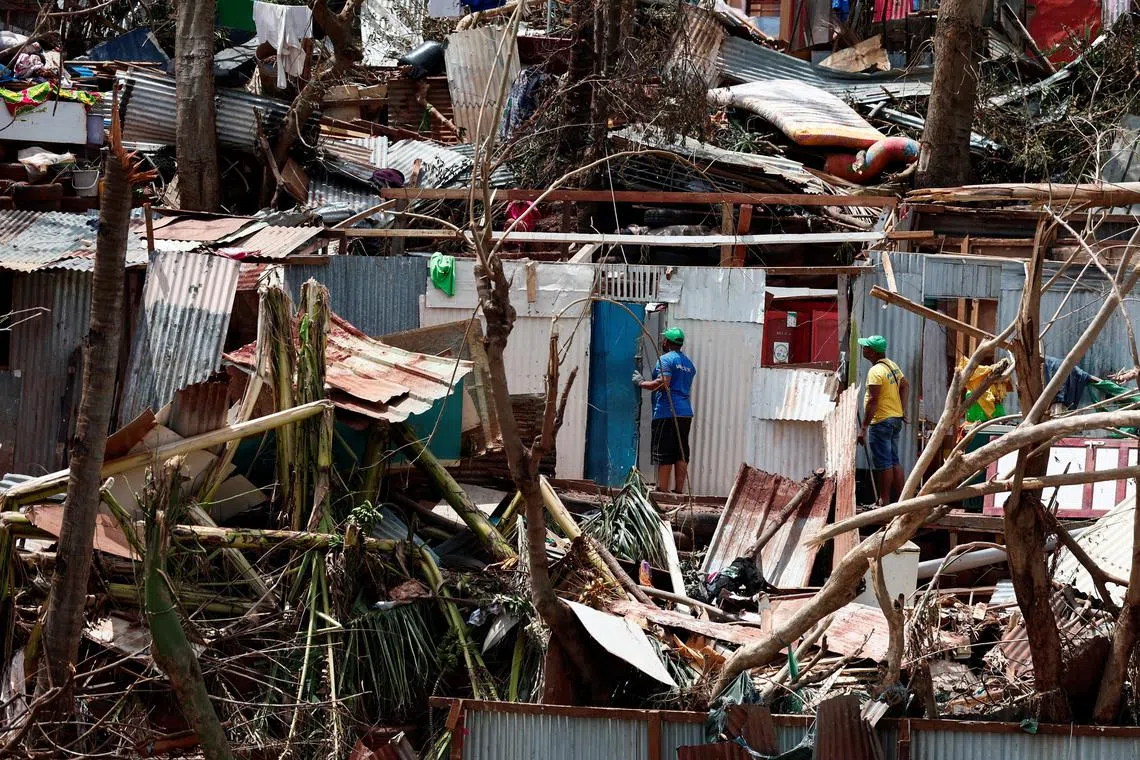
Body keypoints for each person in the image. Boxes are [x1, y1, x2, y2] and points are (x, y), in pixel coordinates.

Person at [634, 327, 697, 494]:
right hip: (684, 413)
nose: (662, 341)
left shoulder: (666, 359)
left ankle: (663, 491)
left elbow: (663, 383)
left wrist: (641, 383)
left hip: (667, 412)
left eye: (664, 339)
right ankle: (678, 491)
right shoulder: (689, 364)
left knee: (665, 451)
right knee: (681, 452)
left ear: (667, 342)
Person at [856, 334, 908, 506]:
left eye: (866, 347)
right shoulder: (892, 365)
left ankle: (883, 501)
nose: (863, 349)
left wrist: (863, 428)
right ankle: (902, 501)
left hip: (881, 421)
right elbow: (905, 385)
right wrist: (902, 410)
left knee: (884, 463)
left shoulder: (875, 371)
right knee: (894, 460)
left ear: (873, 352)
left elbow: (873, 400)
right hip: (895, 419)